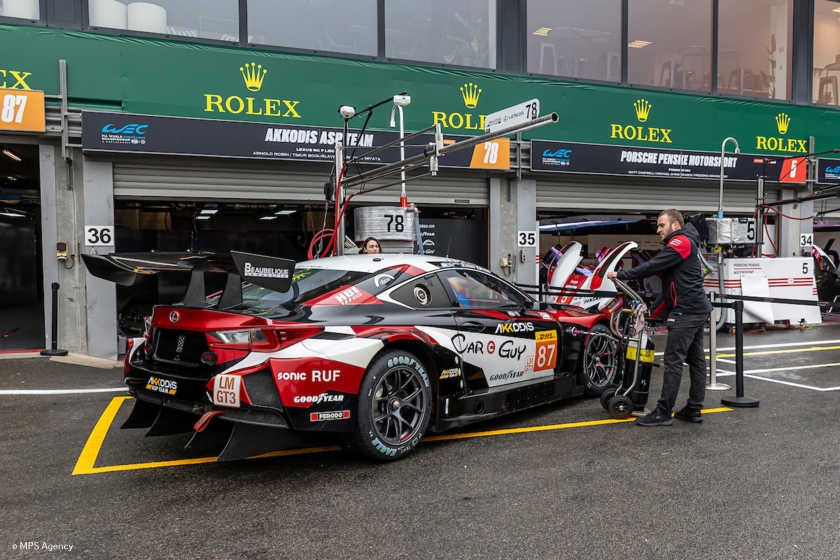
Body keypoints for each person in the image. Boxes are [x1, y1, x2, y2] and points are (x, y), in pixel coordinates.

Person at [607, 209, 711, 427]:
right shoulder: (685, 241)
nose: (658, 230)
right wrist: (656, 312)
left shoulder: (681, 241)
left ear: (675, 225)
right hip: (695, 309)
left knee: (673, 361)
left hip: (687, 311)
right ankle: (693, 408)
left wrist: (622, 274)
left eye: (661, 225)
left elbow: (655, 265)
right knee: (696, 360)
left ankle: (664, 412)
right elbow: (670, 284)